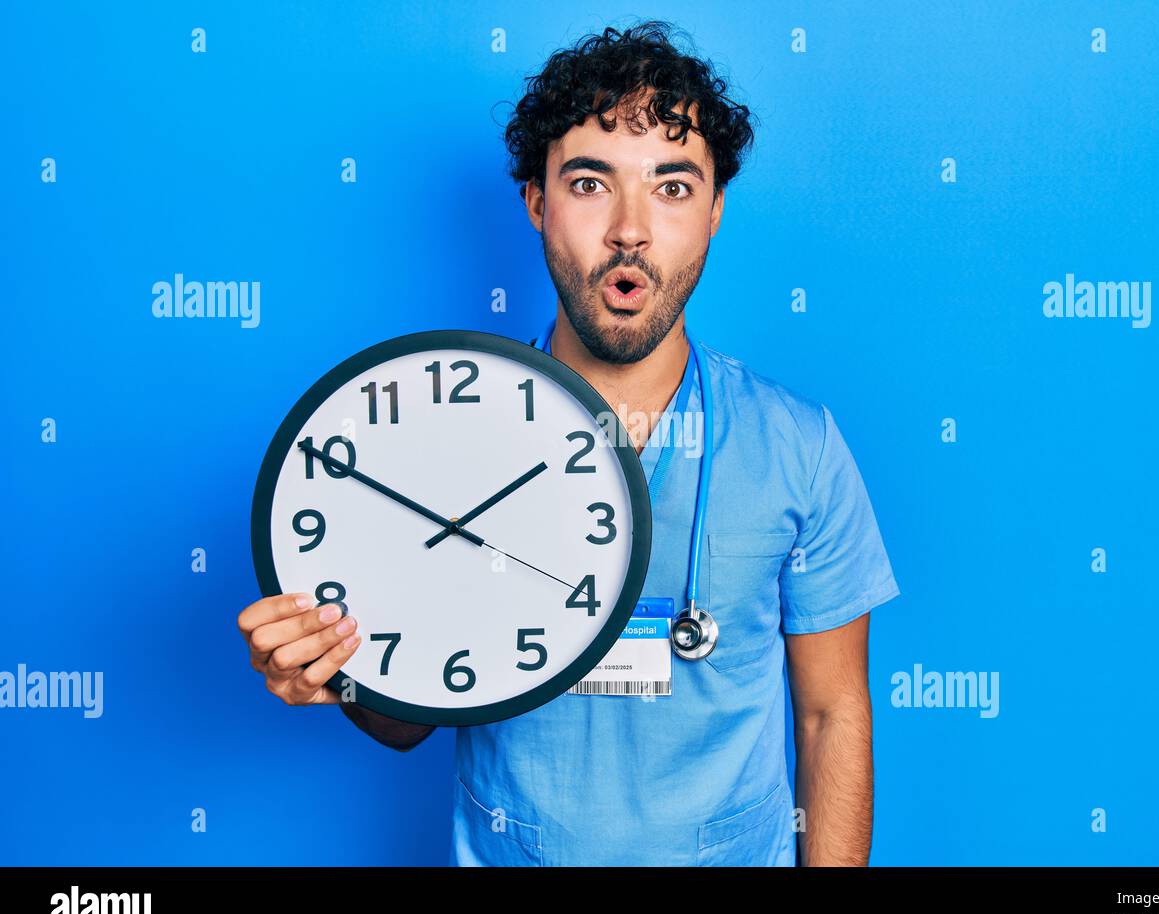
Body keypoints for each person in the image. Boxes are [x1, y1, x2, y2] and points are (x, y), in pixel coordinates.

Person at [236, 20, 899, 866]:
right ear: (537, 203)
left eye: (671, 187)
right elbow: (405, 722)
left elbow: (830, 715)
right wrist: (337, 674)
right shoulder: (442, 438)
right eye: (590, 184)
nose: (630, 229)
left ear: (714, 211)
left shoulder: (799, 447)